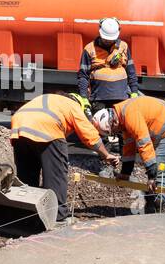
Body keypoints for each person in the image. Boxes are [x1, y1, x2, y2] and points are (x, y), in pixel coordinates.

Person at [10, 93, 118, 222]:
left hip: (18, 125)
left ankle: (25, 213)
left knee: (27, 174)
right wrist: (106, 155)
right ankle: (57, 215)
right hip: (47, 125)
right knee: (56, 174)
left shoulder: (50, 99)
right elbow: (89, 136)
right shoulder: (73, 105)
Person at [94, 96, 165, 213]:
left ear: (114, 122)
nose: (116, 133)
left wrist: (151, 175)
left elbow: (144, 143)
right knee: (157, 169)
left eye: (114, 131)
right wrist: (125, 173)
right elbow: (129, 147)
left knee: (161, 168)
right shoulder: (123, 117)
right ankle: (153, 205)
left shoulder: (130, 115)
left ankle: (162, 207)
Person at [77, 17, 139, 107]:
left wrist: (134, 91)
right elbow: (83, 75)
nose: (108, 41)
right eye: (105, 39)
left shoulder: (123, 46)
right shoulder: (89, 49)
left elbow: (131, 72)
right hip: (98, 99)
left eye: (110, 39)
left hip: (121, 98)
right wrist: (83, 96)